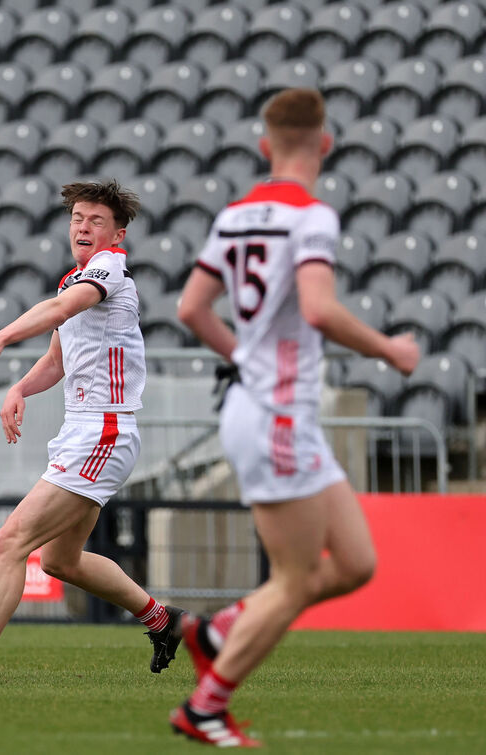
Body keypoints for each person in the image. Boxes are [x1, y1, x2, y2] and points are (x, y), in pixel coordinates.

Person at [172, 88, 420, 746]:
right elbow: (318, 308)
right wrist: (390, 348)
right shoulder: (313, 218)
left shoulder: (234, 215)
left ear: (263, 146)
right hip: (278, 413)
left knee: (355, 563)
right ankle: (204, 707)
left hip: (270, 410)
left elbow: (191, 309)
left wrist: (244, 358)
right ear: (327, 144)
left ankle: (217, 631)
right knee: (295, 579)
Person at [0, 179, 182, 686]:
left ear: (117, 234)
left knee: (9, 540)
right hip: (86, 431)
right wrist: (19, 389)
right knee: (59, 560)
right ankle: (164, 622)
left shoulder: (110, 269)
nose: (83, 225)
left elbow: (58, 313)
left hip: (103, 429)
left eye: (96, 219)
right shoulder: (72, 280)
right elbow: (56, 360)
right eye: (78, 217)